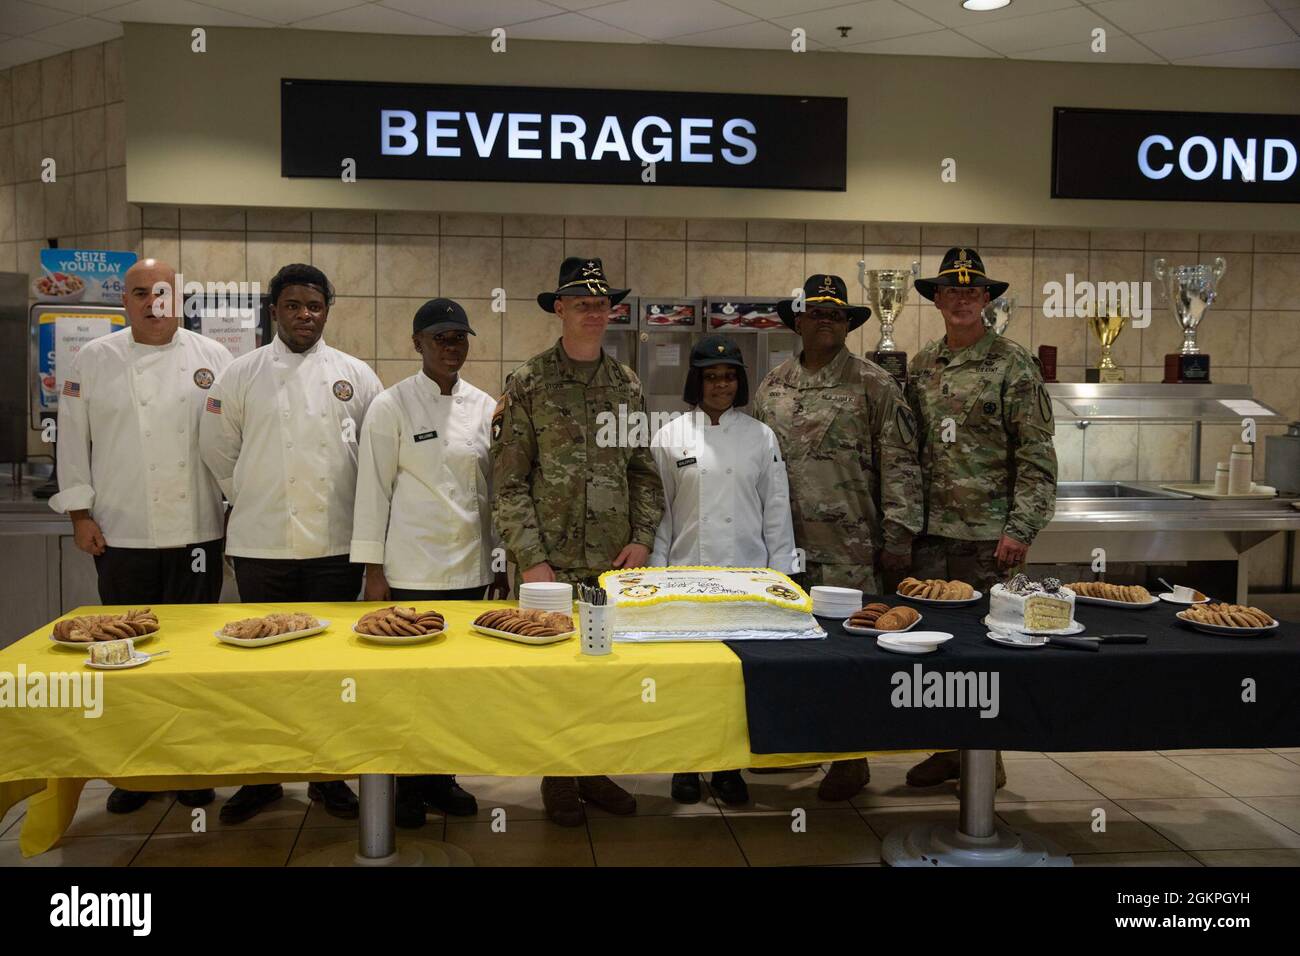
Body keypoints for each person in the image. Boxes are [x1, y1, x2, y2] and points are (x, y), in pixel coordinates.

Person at [199, 263, 382, 824]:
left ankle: (328, 779)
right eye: (294, 305)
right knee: (262, 669)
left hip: (333, 547)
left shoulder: (357, 375)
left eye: (316, 306)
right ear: (274, 310)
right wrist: (258, 494)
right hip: (262, 545)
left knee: (329, 670)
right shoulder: (240, 373)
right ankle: (262, 777)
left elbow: (371, 461)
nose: (305, 315)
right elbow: (218, 452)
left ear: (328, 310)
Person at [51, 257, 230, 816]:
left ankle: (194, 767)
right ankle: (137, 771)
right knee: (126, 656)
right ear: (123, 301)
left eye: (164, 293)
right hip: (122, 533)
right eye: (140, 293)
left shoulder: (215, 358)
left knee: (192, 658)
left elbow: (229, 444)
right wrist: (80, 515)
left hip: (199, 534)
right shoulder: (92, 360)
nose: (153, 303)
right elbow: (73, 444)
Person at [491, 256, 664, 827]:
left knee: (603, 674)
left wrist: (642, 540)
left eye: (601, 303)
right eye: (582, 303)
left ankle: (593, 768)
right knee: (553, 677)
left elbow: (643, 470)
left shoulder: (627, 384)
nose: (594, 312)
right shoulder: (528, 382)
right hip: (549, 566)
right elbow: (509, 483)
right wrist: (531, 560)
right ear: (559, 308)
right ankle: (558, 776)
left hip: (611, 565)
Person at [753, 273, 923, 801]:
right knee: (791, 655)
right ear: (798, 321)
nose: (825, 318)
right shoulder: (771, 386)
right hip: (784, 551)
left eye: (836, 311)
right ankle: (800, 745)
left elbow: (901, 464)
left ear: (848, 323)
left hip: (852, 548)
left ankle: (852, 758)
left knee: (850, 656)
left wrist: (898, 537)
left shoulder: (875, 384)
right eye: (816, 310)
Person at [903, 247, 1058, 790]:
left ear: (987, 299)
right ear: (937, 300)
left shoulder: (1013, 363)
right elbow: (909, 450)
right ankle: (949, 748)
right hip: (931, 536)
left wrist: (1021, 528)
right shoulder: (921, 364)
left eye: (973, 291)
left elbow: (1037, 455)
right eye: (952, 290)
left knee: (985, 652)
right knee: (935, 649)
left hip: (988, 539)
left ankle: (984, 756)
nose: (962, 299)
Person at [351, 297, 508, 828]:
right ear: (416, 344)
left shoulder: (486, 408)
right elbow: (372, 492)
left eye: (459, 338)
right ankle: (405, 785)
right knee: (406, 687)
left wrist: (499, 563)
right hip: (409, 570)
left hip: (469, 569)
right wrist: (373, 571)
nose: (451, 347)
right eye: (440, 338)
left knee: (453, 684)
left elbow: (493, 494)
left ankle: (441, 777)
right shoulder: (390, 406)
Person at [649, 334, 794, 807]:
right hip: (685, 575)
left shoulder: (760, 436)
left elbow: (776, 510)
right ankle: (685, 766)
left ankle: (729, 769)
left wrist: (781, 575)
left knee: (736, 679)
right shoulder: (670, 436)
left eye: (729, 376)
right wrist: (656, 574)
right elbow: (660, 512)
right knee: (689, 678)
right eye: (711, 377)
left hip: (746, 577)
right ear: (697, 381)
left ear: (740, 381)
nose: (721, 385)